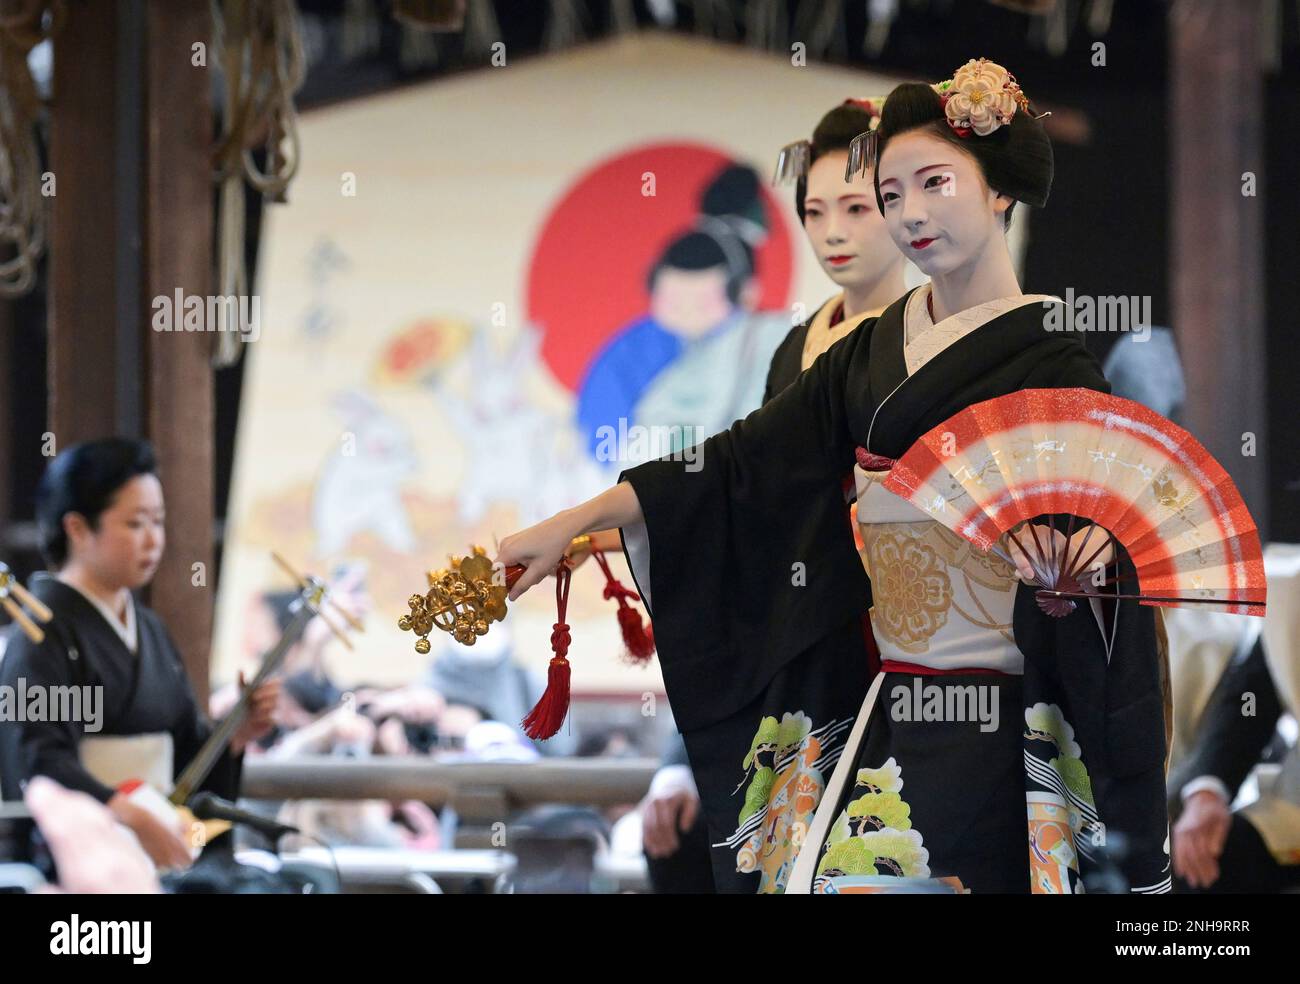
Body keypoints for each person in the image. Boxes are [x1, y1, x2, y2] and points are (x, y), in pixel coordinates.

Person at [498, 59, 1170, 894]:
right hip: (879, 698)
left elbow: (1111, 563)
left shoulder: (1057, 367)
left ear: (999, 189)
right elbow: (741, 460)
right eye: (892, 195)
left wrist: (1077, 575)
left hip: (998, 720)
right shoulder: (862, 355)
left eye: (934, 183)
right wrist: (572, 520)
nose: (910, 213)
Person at [0, 438, 279, 869]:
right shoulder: (42, 635)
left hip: (159, 850)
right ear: (77, 528)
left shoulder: (149, 628)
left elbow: (185, 757)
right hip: (83, 866)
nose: (153, 540)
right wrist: (128, 814)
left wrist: (234, 736)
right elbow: (39, 764)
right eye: (135, 524)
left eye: (158, 521)